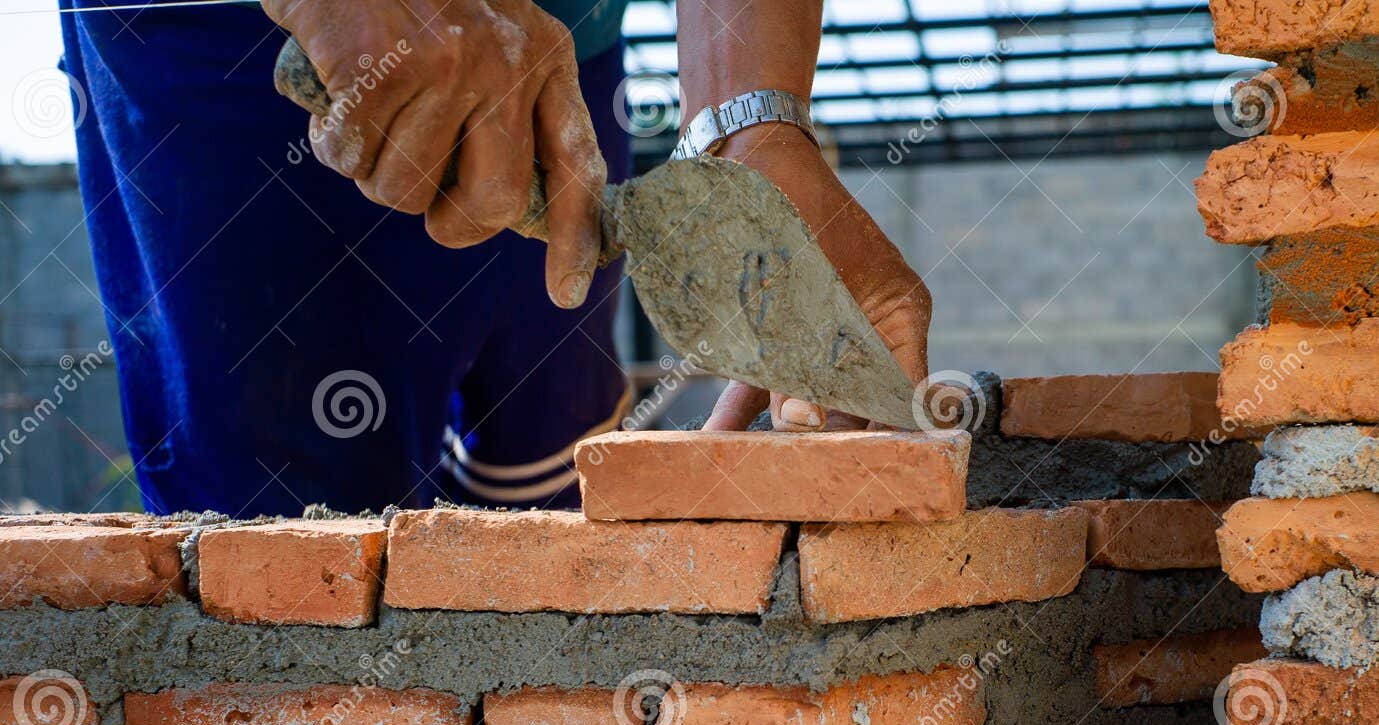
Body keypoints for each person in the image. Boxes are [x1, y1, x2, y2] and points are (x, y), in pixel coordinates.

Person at [60, 0, 930, 516]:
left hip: (560, 45)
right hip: (237, 53)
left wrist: (748, 123)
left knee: (549, 482)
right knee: (299, 550)